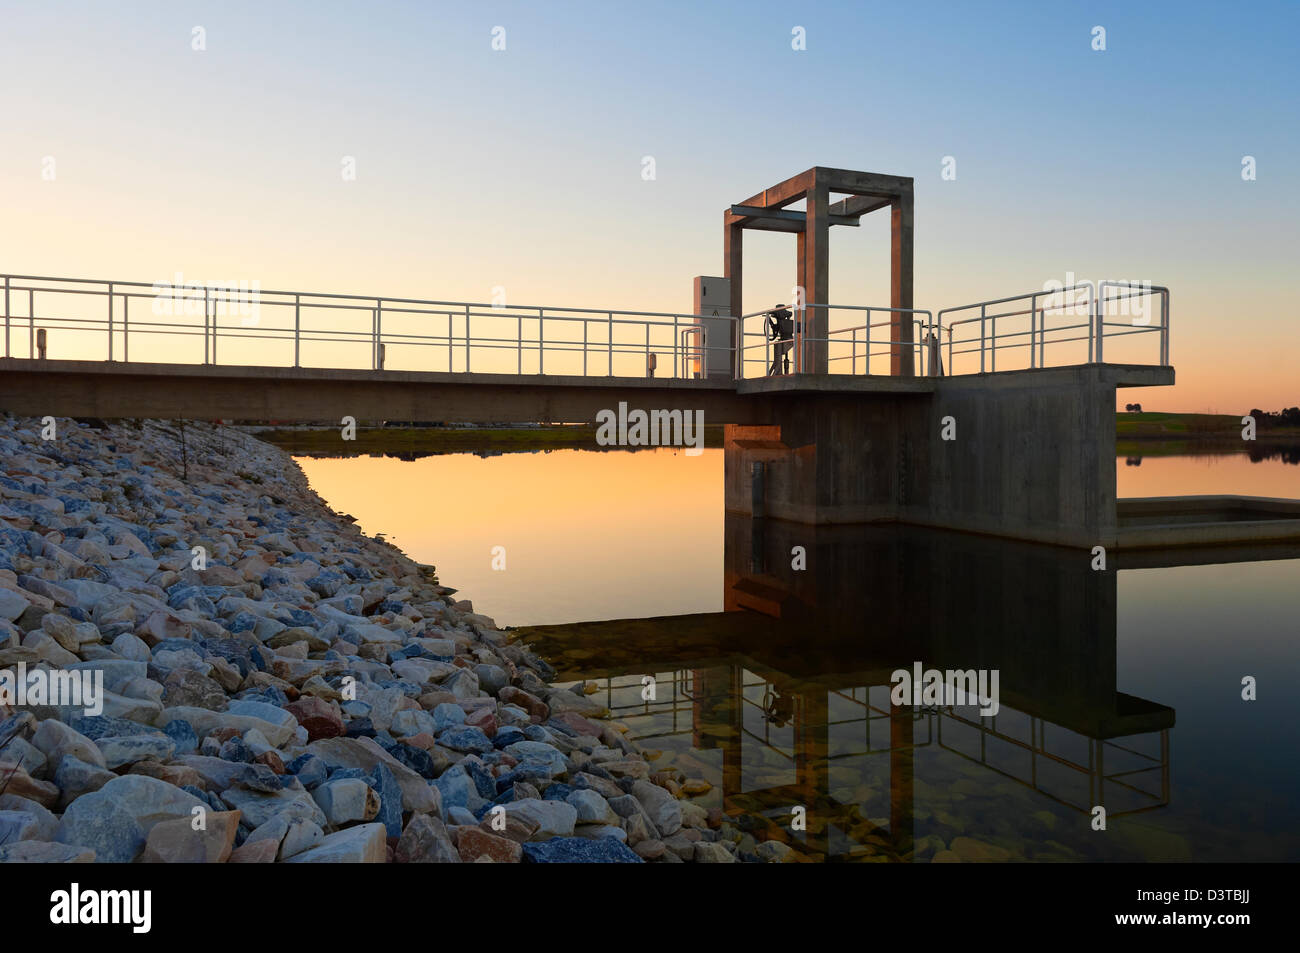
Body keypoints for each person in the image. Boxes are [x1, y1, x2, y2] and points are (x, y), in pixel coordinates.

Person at [766, 304, 795, 375]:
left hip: (787, 339)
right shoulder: (783, 323)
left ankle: (777, 372)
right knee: (777, 361)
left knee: (778, 361)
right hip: (786, 339)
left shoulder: (785, 324)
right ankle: (779, 371)